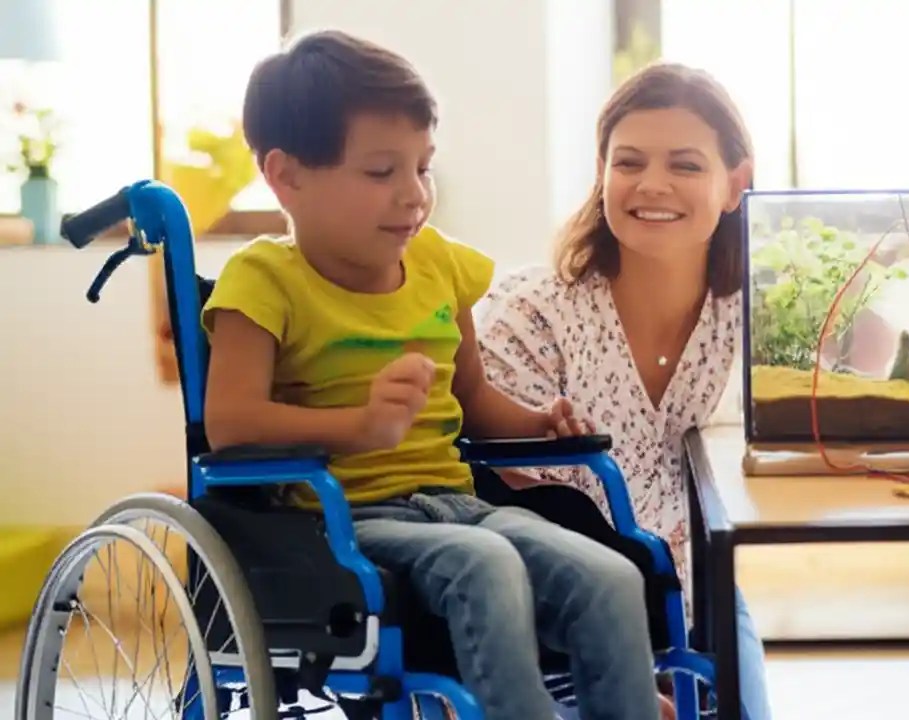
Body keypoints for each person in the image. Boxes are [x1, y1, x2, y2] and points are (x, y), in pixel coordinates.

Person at [201, 30, 664, 720]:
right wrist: (357, 427)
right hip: (338, 523)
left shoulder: (439, 266)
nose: (415, 195)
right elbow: (230, 424)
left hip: (459, 503)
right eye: (382, 172)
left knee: (610, 575)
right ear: (287, 176)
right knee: (486, 566)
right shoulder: (262, 280)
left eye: (423, 167)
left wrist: (537, 423)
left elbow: (472, 397)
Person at [475, 62, 772, 720]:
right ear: (602, 172)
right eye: (628, 162)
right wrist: (627, 664)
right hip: (554, 606)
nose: (652, 185)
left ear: (736, 185)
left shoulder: (759, 314)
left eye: (686, 165)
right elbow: (490, 490)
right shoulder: (531, 312)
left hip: (695, 593)